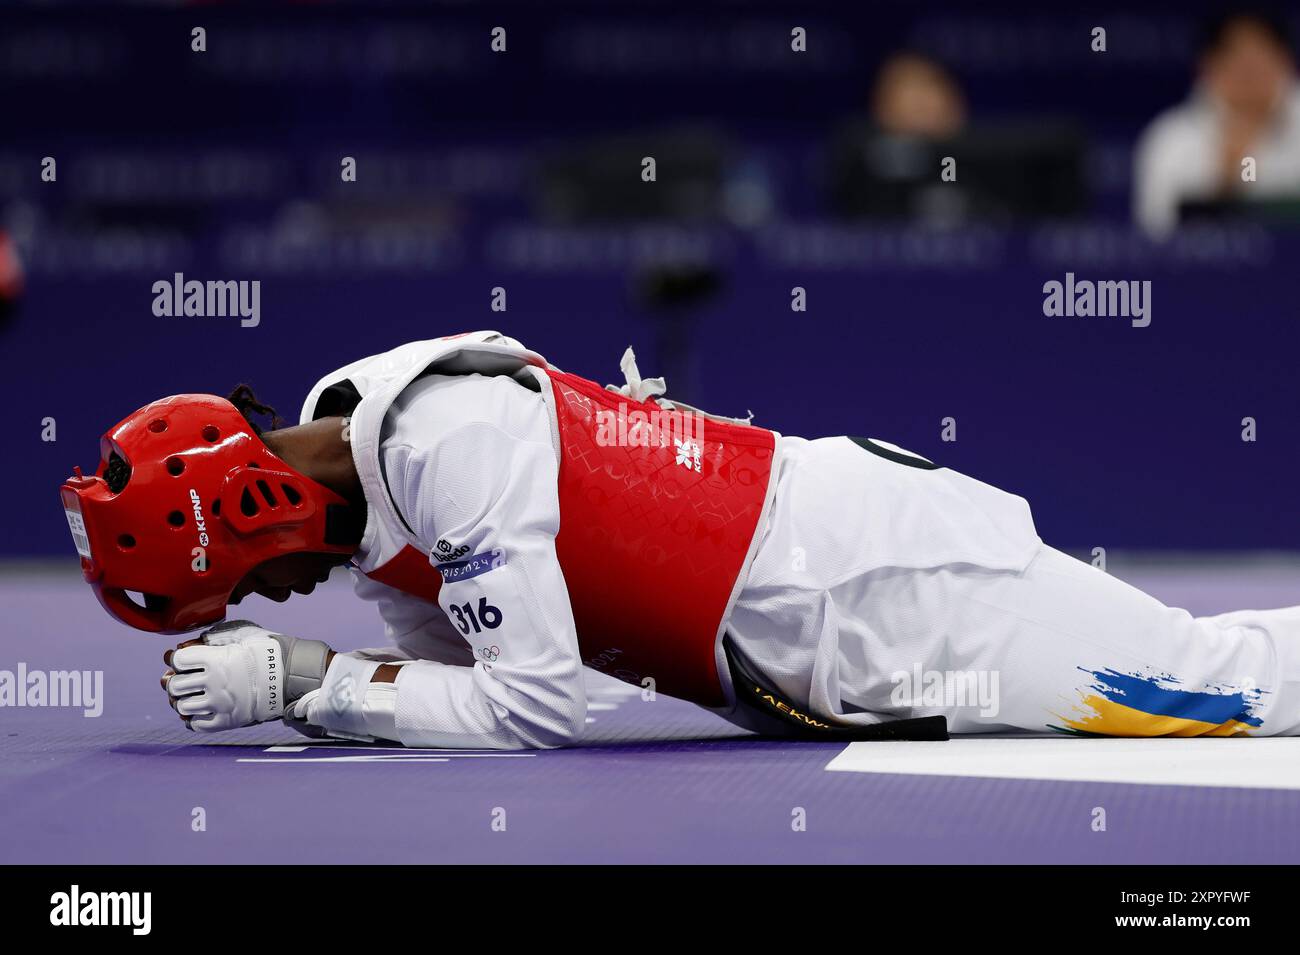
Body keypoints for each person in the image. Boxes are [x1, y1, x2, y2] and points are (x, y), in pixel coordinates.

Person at [61, 331, 1300, 748]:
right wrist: (340, 686)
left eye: (255, 586)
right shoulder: (369, 465)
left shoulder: (447, 447)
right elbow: (458, 677)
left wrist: (317, 689)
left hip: (876, 586)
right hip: (803, 636)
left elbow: (537, 704)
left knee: (1207, 689)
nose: (282, 598)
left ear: (244, 509)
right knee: (1204, 681)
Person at [1134, 10, 1300, 237]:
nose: (1250, 74)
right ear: (1208, 65)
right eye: (1237, 60)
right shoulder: (1170, 139)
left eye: (1261, 57)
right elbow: (1156, 236)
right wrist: (1226, 182)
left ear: (1286, 60)